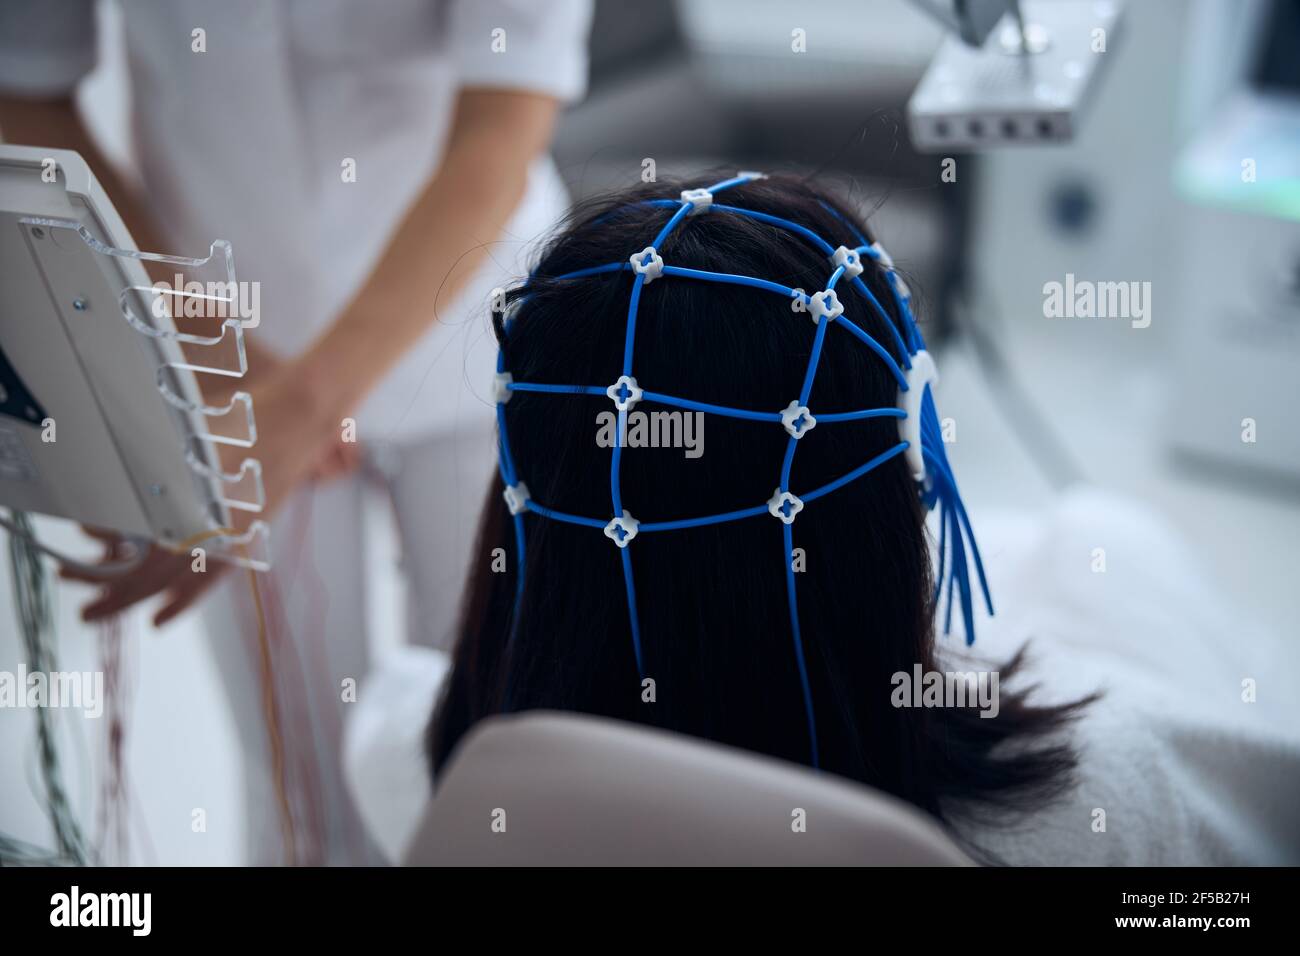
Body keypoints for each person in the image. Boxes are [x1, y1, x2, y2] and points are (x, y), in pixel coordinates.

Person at [342, 172, 1296, 865]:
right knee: (1101, 541)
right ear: (902, 465)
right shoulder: (1106, 794)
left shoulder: (414, 767)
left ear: (526, 487)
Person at [0, 0, 593, 864]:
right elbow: (25, 84)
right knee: (301, 795)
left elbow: (502, 124)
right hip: (224, 341)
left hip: (471, 328)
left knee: (494, 766)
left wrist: (304, 402)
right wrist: (198, 341)